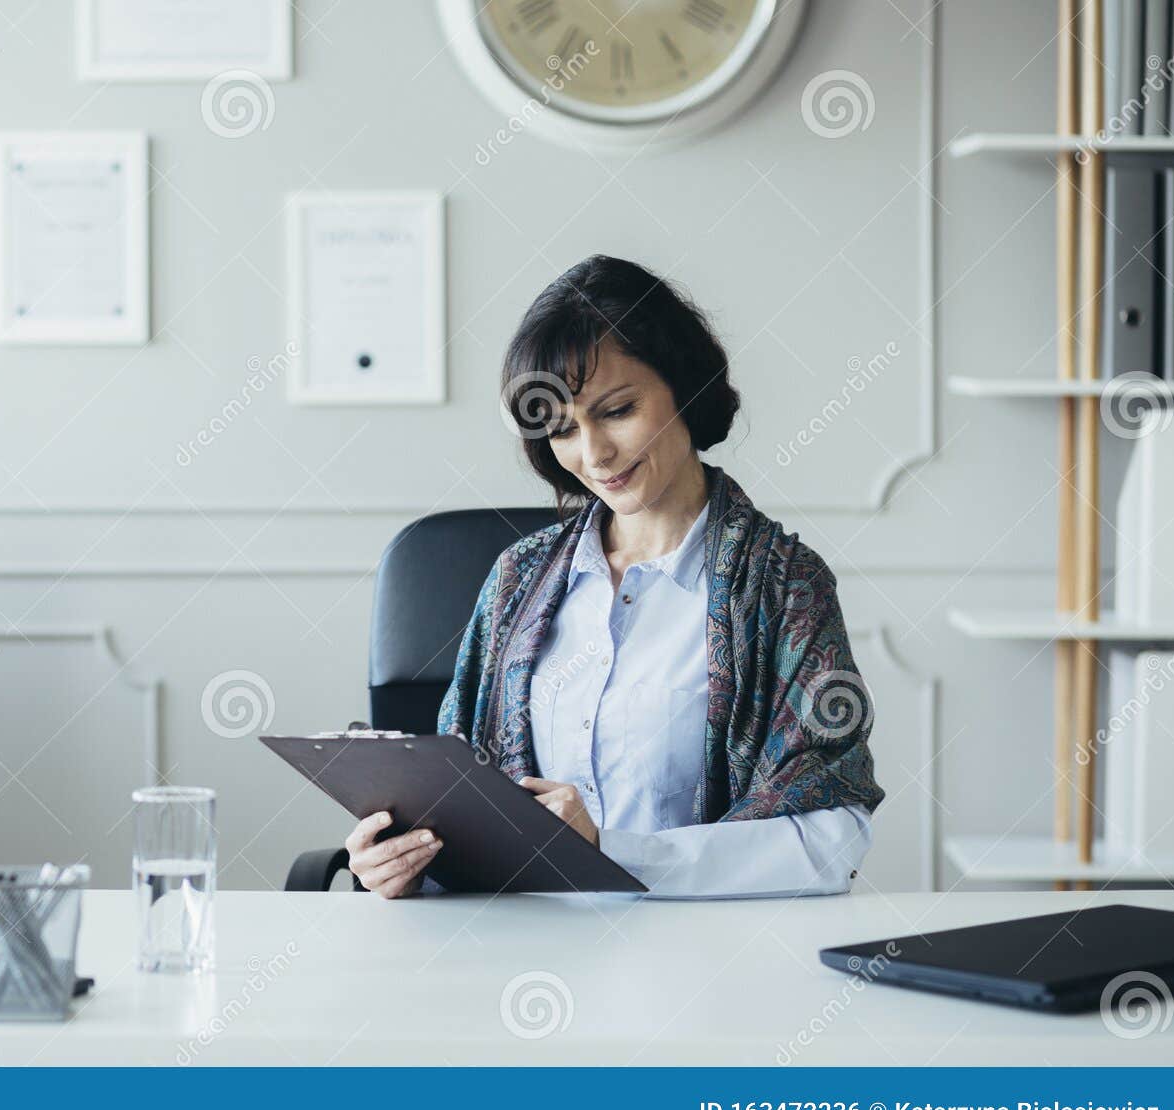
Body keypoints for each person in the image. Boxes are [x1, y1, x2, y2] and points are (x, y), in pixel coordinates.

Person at [344, 254, 884, 899]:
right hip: (516, 957)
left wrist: (613, 854)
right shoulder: (517, 580)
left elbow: (831, 839)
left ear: (685, 388)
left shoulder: (785, 588)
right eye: (564, 429)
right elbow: (461, 811)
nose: (594, 455)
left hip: (709, 968)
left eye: (619, 410)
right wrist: (407, 863)